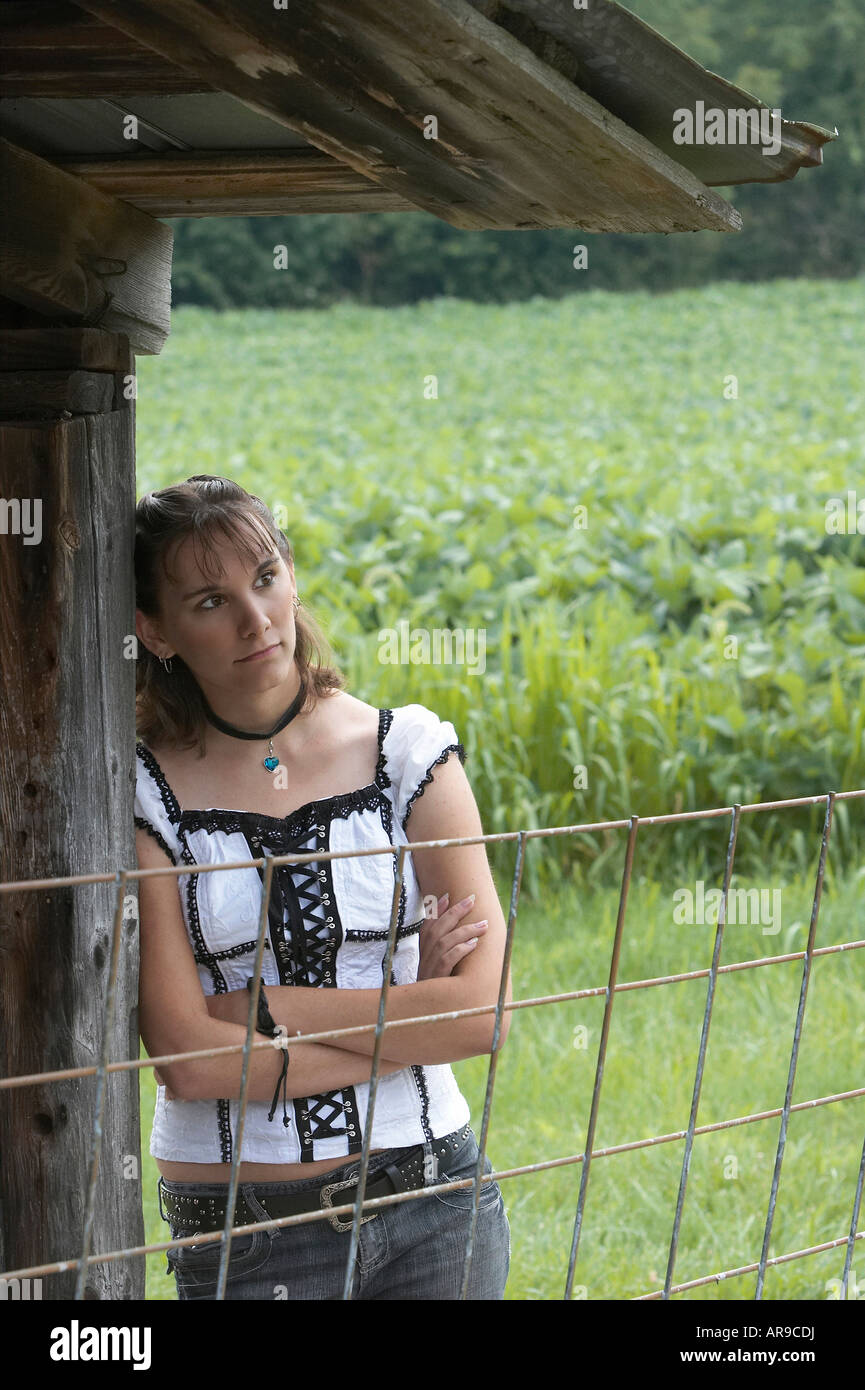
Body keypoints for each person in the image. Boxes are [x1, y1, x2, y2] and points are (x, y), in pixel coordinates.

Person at [133, 475, 512, 1300]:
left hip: (434, 1201)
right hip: (245, 1229)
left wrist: (272, 1010)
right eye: (208, 601)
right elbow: (190, 1064)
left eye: (265, 578)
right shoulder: (141, 794)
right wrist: (409, 1009)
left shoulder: (406, 752)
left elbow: (479, 1017)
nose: (254, 618)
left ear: (292, 576)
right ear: (155, 631)